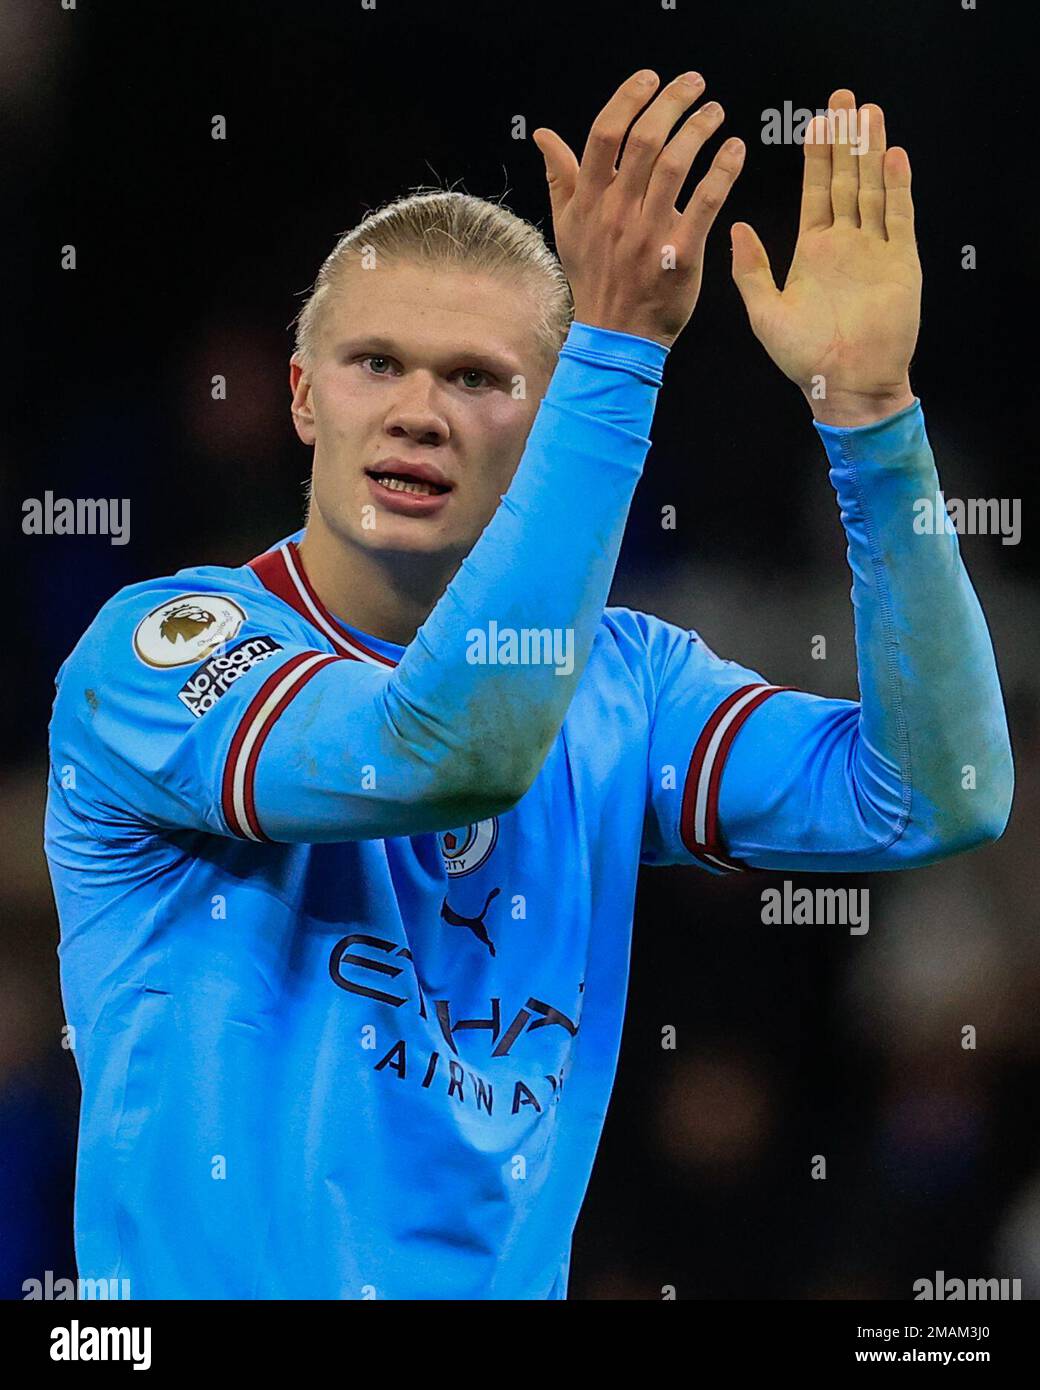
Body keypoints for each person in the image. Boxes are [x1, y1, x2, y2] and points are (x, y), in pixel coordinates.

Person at [44, 71, 1012, 1299]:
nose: (416, 414)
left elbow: (939, 794)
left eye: (476, 379)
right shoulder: (160, 655)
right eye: (374, 363)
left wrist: (872, 421)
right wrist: (615, 348)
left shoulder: (626, 683)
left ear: (548, 420)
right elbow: (438, 753)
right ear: (298, 395)